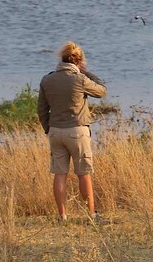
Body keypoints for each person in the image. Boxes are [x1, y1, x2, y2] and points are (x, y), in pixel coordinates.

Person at [39, 41, 106, 222]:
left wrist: (48, 128)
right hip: (77, 130)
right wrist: (86, 71)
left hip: (55, 131)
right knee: (83, 173)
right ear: (78, 61)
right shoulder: (79, 79)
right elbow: (101, 91)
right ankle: (91, 214)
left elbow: (42, 110)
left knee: (59, 173)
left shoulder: (47, 79)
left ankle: (62, 216)